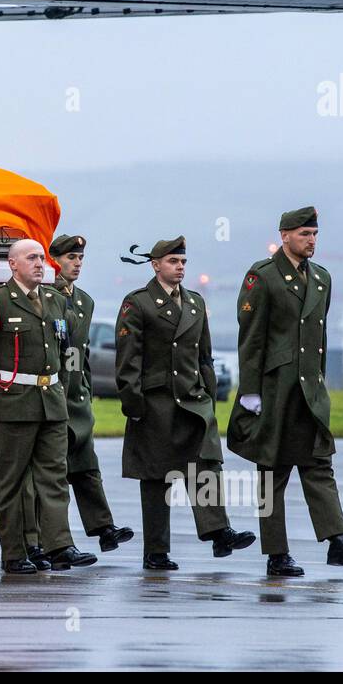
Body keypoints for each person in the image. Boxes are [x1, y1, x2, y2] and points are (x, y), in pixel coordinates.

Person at [226, 206, 343, 576]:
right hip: (275, 389)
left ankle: (338, 540)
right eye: (305, 234)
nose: (312, 241)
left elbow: (318, 339)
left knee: (318, 464)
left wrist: (319, 382)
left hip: (309, 390)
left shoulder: (321, 278)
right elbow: (252, 337)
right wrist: (250, 390)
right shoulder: (263, 277)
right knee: (271, 471)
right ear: (285, 235)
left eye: (315, 234)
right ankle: (277, 555)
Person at [114, 236, 254, 569]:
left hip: (193, 402)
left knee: (206, 465)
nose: (179, 267)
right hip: (156, 402)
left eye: (183, 262)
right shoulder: (138, 303)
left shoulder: (194, 302)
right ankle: (156, 551)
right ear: (156, 265)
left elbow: (204, 355)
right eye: (173, 262)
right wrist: (134, 405)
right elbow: (128, 359)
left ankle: (219, 533)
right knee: (156, 477)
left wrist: (208, 392)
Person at [0, 238, 97, 574]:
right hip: (14, 402)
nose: (40, 263)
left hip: (51, 402)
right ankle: (14, 553)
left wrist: (63, 392)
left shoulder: (53, 300)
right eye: (32, 258)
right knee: (12, 481)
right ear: (13, 264)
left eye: (41, 258)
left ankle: (59, 546)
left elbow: (66, 349)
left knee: (53, 477)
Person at [46, 233, 132, 553]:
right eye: (71, 258)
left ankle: (103, 526)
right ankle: (55, 541)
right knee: (53, 472)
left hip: (76, 393)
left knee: (86, 463)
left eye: (81, 258)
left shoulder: (84, 301)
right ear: (53, 260)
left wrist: (85, 388)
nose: (78, 263)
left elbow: (81, 353)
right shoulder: (43, 296)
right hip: (51, 390)